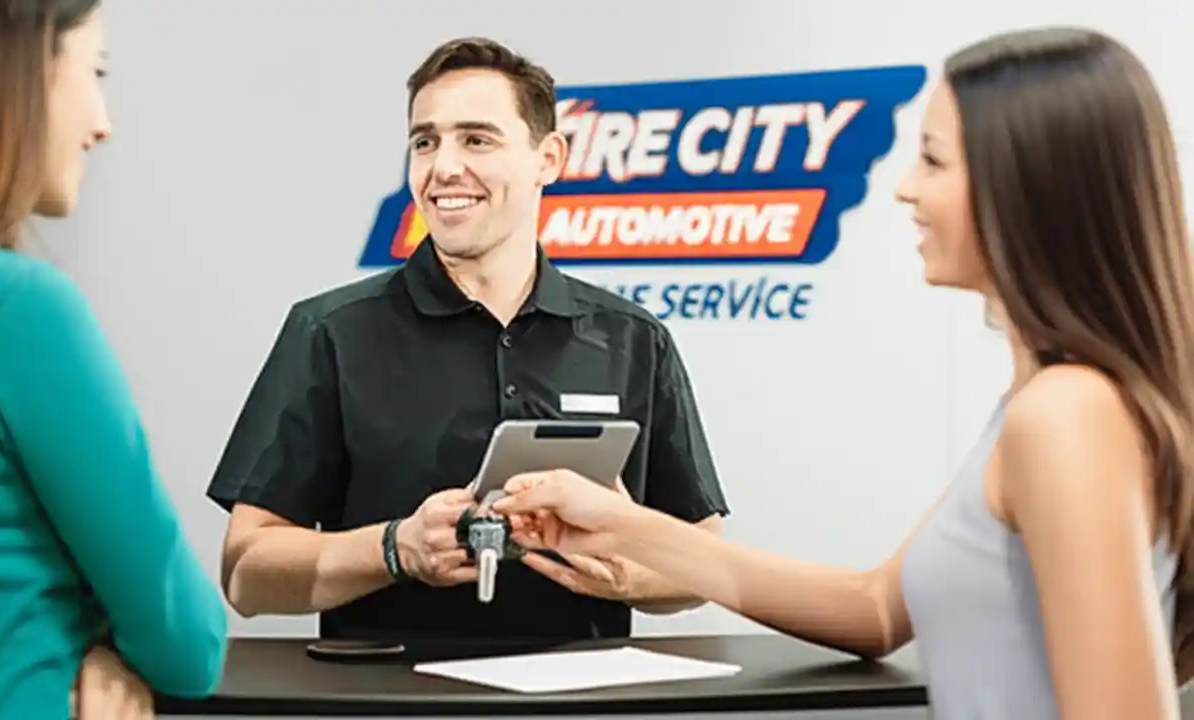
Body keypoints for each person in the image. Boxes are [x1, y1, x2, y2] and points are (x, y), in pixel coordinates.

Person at [491, 27, 1194, 719]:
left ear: (1027, 185)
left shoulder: (1066, 414)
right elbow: (877, 610)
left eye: (935, 161)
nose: (906, 190)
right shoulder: (1037, 405)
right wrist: (625, 524)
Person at [206, 36, 729, 642]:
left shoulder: (633, 339)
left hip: (582, 700)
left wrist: (626, 572)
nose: (443, 167)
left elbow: (705, 564)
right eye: (425, 141)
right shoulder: (330, 333)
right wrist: (394, 548)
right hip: (391, 705)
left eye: (477, 139)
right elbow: (246, 574)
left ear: (549, 158)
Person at [0, 2, 228, 718]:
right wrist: (103, 637)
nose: (102, 122)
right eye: (95, 73)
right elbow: (186, 641)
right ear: (23, 76)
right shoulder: (14, 308)